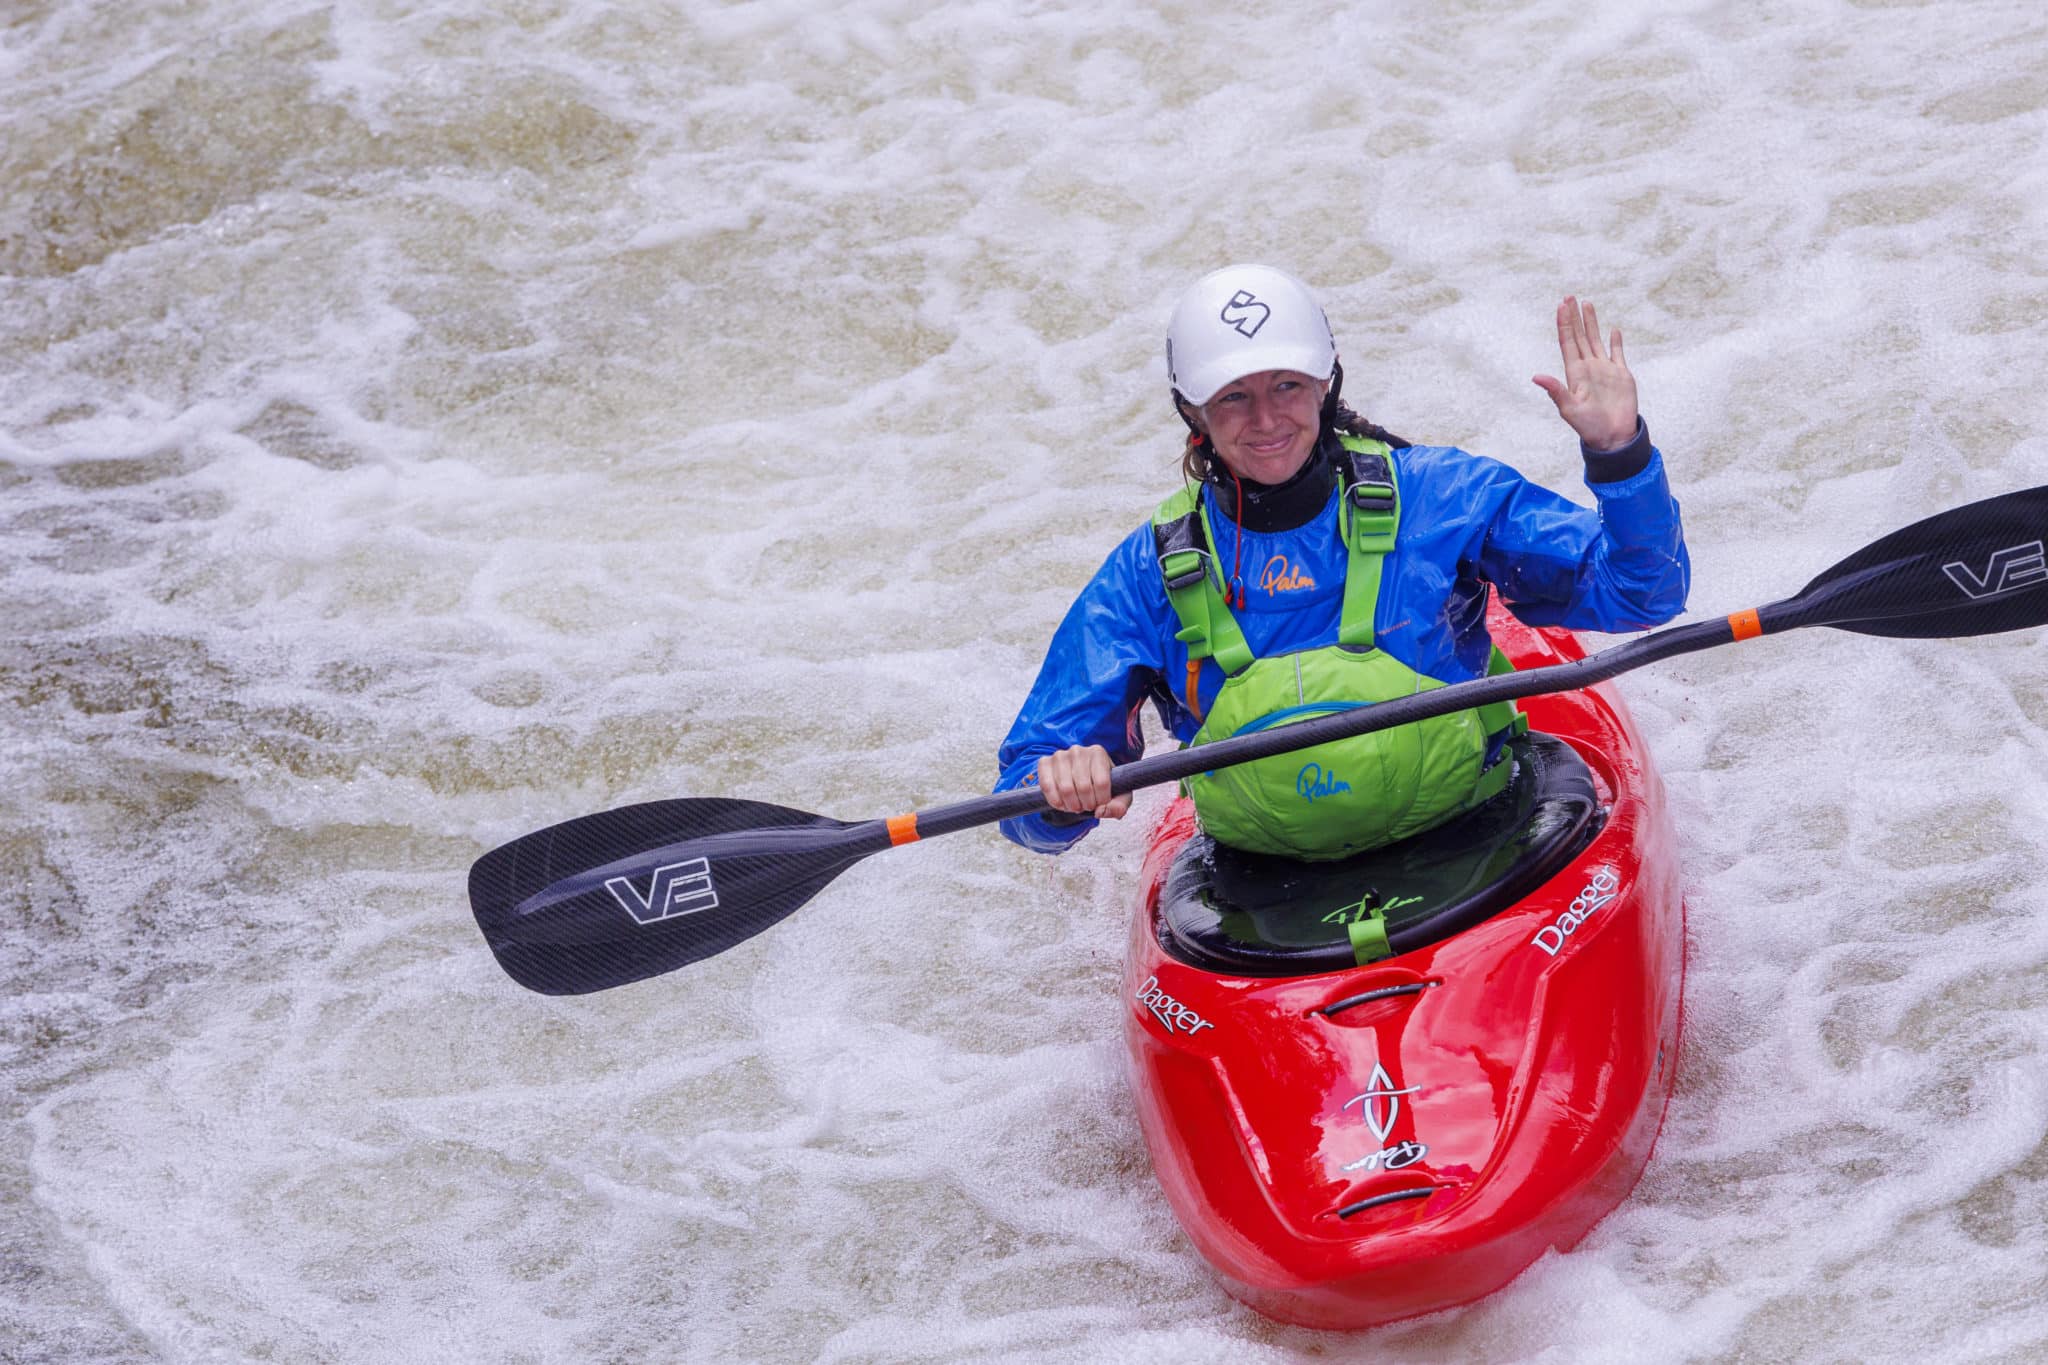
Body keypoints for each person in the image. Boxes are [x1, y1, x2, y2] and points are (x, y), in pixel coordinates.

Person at [994, 264, 1690, 861]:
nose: (1266, 419)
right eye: (1234, 397)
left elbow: (1641, 593)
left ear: (1326, 383)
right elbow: (1023, 796)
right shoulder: (1149, 571)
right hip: (1268, 878)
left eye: (1286, 386)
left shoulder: (1439, 495)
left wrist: (1618, 451)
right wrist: (1063, 787)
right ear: (1192, 410)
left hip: (1475, 826)